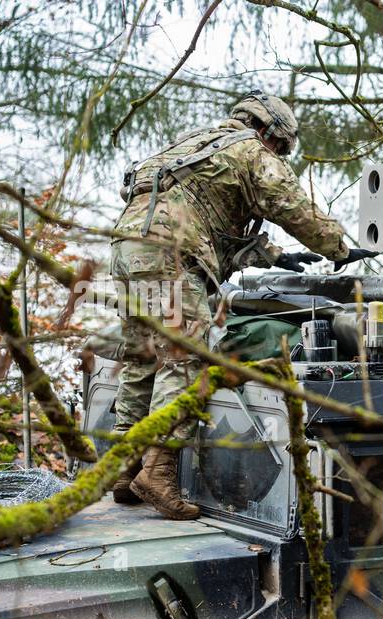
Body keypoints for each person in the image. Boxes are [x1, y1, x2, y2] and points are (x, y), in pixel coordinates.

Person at [110, 90, 364, 518]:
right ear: (266, 130)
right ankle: (157, 470)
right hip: (171, 254)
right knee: (185, 360)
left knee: (143, 360)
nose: (280, 155)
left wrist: (278, 257)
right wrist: (339, 248)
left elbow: (214, 220)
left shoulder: (197, 146)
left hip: (129, 250)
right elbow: (290, 203)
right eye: (281, 147)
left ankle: (125, 466)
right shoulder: (250, 149)